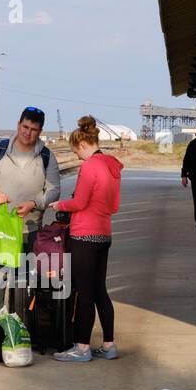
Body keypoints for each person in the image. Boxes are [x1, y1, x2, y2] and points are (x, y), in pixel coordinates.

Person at [0, 106, 61, 309]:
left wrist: (34, 203)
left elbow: (54, 190)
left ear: (40, 131)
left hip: (30, 232)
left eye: (34, 129)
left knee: (25, 287)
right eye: (25, 127)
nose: (28, 133)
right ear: (18, 125)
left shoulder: (47, 157)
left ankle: (21, 334)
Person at [52, 115, 123, 362]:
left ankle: (82, 348)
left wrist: (59, 204)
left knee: (84, 293)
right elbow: (114, 205)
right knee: (100, 291)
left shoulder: (90, 166)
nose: (77, 157)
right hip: (104, 234)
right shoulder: (113, 165)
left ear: (83, 145)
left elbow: (79, 202)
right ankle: (109, 345)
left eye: (76, 153)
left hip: (84, 235)